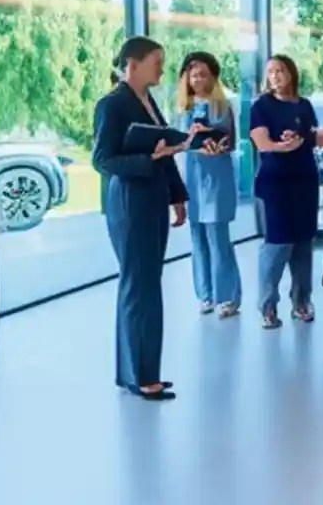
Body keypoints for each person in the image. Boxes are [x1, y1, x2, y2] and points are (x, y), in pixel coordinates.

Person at [92, 36, 190, 401]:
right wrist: (148, 161)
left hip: (152, 199)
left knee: (147, 284)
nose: (162, 68)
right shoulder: (112, 105)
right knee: (138, 285)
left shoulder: (149, 103)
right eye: (156, 62)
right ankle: (139, 376)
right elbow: (102, 160)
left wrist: (178, 195)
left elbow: (163, 149)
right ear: (133, 63)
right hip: (130, 202)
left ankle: (140, 371)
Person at [249, 55, 323, 329]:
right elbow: (260, 141)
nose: (274, 75)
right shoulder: (261, 106)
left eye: (280, 70)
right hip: (276, 183)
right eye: (270, 71)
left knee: (302, 245)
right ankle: (267, 305)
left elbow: (313, 137)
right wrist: (281, 146)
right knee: (277, 245)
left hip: (304, 181)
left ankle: (301, 303)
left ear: (291, 73)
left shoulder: (304, 105)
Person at [174, 51, 241, 319]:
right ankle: (205, 295)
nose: (197, 79)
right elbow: (178, 142)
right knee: (198, 239)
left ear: (213, 76)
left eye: (203, 74)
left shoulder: (222, 107)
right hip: (192, 179)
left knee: (218, 239)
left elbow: (230, 142)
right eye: (193, 75)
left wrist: (215, 143)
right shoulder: (184, 109)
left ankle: (228, 297)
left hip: (216, 179)